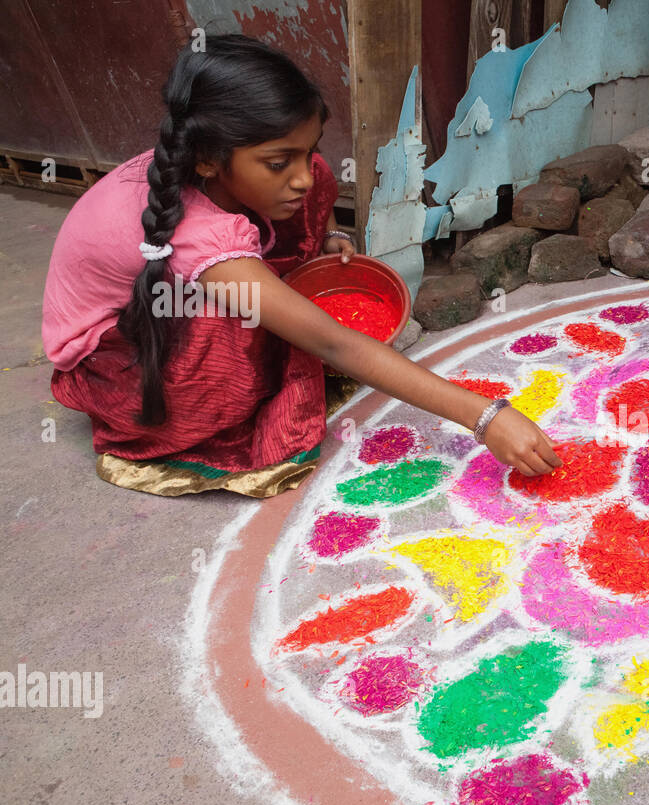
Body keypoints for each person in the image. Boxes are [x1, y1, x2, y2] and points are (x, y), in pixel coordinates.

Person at [42, 34, 561, 498]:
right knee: (251, 324)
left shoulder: (209, 166)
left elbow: (300, 177)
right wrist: (485, 416)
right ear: (205, 158)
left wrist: (328, 235)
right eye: (277, 162)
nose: (301, 179)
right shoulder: (198, 242)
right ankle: (201, 422)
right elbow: (334, 342)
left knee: (313, 184)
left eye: (303, 150)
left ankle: (276, 283)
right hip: (117, 358)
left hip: (191, 273)